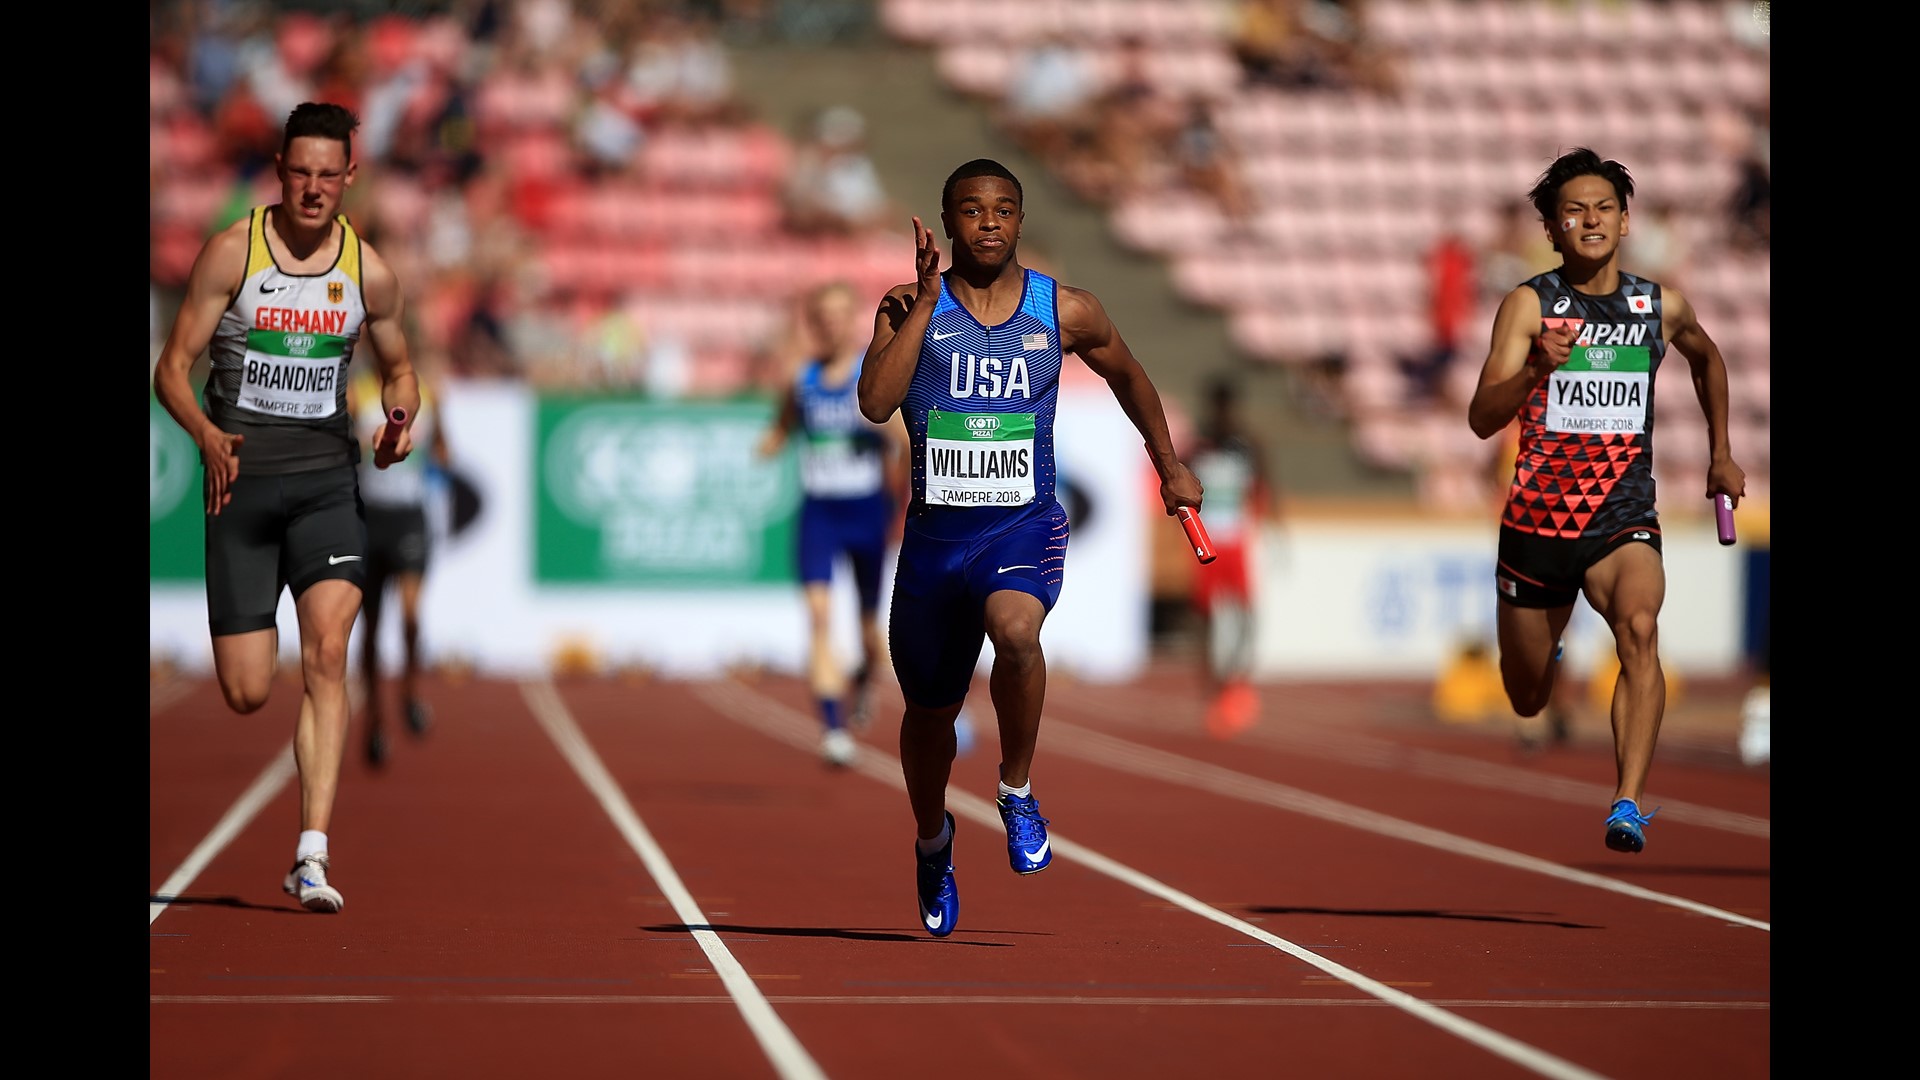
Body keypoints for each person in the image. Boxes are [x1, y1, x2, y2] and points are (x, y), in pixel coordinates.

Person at [857, 159, 1205, 937]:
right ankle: (932, 840)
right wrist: (919, 305)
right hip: (934, 543)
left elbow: (1130, 376)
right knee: (928, 717)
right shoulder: (908, 304)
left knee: (1018, 634)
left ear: (1020, 221)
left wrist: (1169, 462)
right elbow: (877, 403)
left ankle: (1016, 790)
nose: (988, 222)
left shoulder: (1066, 310)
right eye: (971, 210)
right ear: (947, 223)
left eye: (1004, 209)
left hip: (1021, 522)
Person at [152, 102, 421, 912]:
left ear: (350, 177)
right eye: (299, 172)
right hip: (240, 483)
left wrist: (401, 419)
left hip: (327, 482)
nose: (312, 189)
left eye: (327, 175)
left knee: (329, 651)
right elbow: (170, 367)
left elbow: (402, 371)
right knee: (245, 690)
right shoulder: (233, 253)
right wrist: (203, 430)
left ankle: (312, 853)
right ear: (279, 168)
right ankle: (304, 838)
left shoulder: (368, 271)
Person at [1467, 147, 1746, 855]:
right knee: (1527, 696)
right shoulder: (1530, 305)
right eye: (1574, 211)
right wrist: (1536, 367)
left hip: (1623, 518)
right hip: (1537, 526)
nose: (1590, 220)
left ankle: (1628, 801)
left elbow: (1708, 358)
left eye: (1603, 208)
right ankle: (1545, 657)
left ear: (1625, 222)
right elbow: (1480, 417)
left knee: (1641, 629)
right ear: (1552, 230)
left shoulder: (1660, 305)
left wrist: (1720, 452)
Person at [757, 281, 910, 767]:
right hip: (819, 512)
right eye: (820, 316)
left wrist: (886, 445)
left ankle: (865, 679)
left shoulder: (874, 375)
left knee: (869, 632)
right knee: (819, 619)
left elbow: (906, 441)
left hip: (867, 511)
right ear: (812, 323)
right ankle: (833, 728)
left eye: (839, 315)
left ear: (853, 320)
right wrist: (768, 444)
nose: (830, 324)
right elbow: (781, 428)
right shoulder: (801, 380)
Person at [348, 367, 451, 769]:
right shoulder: (357, 393)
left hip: (410, 517)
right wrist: (361, 443)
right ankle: (373, 718)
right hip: (370, 519)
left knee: (410, 616)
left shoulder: (427, 392)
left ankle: (409, 690)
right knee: (371, 628)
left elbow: (444, 452)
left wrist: (436, 439)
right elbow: (340, 448)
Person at [1184, 377, 1276, 739]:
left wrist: (1272, 526)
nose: (1222, 415)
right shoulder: (1199, 446)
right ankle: (1212, 680)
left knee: (1245, 612)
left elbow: (1265, 485)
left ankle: (1237, 676)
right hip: (1206, 541)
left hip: (1236, 539)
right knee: (1205, 615)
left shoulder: (1247, 445)